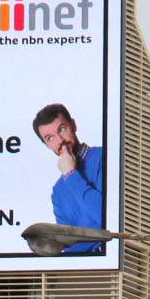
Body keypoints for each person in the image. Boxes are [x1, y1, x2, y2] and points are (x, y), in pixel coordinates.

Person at [32, 103, 103, 253]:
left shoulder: (106, 157)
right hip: (89, 269)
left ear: (73, 125)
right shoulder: (58, 192)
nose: (59, 140)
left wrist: (71, 175)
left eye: (62, 129)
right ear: (46, 145)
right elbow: (69, 247)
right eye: (50, 138)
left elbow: (108, 219)